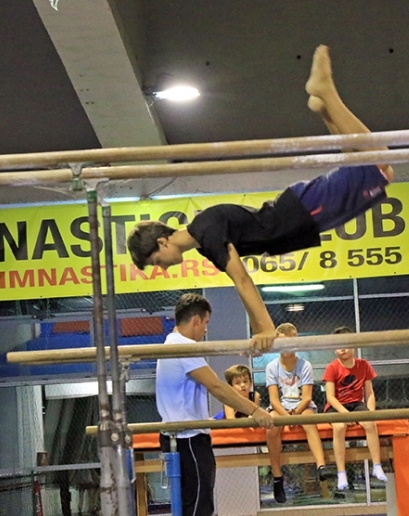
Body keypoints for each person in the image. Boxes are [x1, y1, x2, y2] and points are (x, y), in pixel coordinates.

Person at [127, 45, 394, 355]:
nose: (162, 269)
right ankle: (323, 106)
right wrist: (258, 335)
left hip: (300, 212)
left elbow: (243, 280)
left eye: (156, 263)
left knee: (380, 163)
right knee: (368, 164)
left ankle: (327, 96)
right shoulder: (204, 241)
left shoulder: (206, 232)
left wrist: (267, 329)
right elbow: (242, 284)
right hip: (301, 219)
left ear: (162, 242)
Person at [156, 293, 274, 516]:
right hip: (188, 438)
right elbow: (217, 387)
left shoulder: (169, 343)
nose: (206, 331)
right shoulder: (184, 347)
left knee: (185, 508)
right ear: (196, 321)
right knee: (199, 508)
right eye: (206, 324)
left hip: (177, 435)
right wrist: (255, 411)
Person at [264, 322, 329, 503]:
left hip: (302, 406)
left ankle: (321, 465)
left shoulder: (305, 365)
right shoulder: (272, 367)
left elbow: (307, 397)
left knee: (309, 421)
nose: (286, 348)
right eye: (282, 344)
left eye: (289, 343)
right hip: (281, 408)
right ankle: (278, 477)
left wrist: (297, 413)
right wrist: (286, 416)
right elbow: (274, 400)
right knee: (271, 426)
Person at [323, 326, 386, 490]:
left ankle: (377, 465)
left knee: (370, 424)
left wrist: (370, 413)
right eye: (338, 345)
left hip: (356, 404)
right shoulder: (332, 368)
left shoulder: (363, 365)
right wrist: (344, 414)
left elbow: (369, 393)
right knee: (339, 427)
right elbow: (330, 397)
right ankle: (341, 472)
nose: (342, 348)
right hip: (336, 406)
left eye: (345, 344)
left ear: (353, 344)